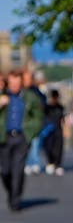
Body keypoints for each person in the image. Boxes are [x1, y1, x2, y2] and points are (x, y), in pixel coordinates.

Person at [0, 69, 44, 211]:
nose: (13, 86)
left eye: (16, 83)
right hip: (4, 138)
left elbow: (38, 117)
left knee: (17, 169)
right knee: (5, 171)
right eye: (11, 83)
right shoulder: (3, 96)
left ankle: (15, 200)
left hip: (21, 138)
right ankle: (12, 191)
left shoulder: (30, 97)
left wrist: (29, 134)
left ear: (21, 83)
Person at [23, 68, 47, 175]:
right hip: (25, 124)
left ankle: (35, 163)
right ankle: (29, 163)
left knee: (35, 144)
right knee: (27, 145)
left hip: (34, 123)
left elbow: (42, 105)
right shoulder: (23, 92)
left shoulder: (35, 92)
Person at [43, 89, 65, 176]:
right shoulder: (47, 107)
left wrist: (65, 129)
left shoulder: (60, 107)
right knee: (48, 147)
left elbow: (63, 119)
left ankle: (58, 164)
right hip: (48, 130)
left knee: (59, 147)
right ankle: (50, 163)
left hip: (58, 129)